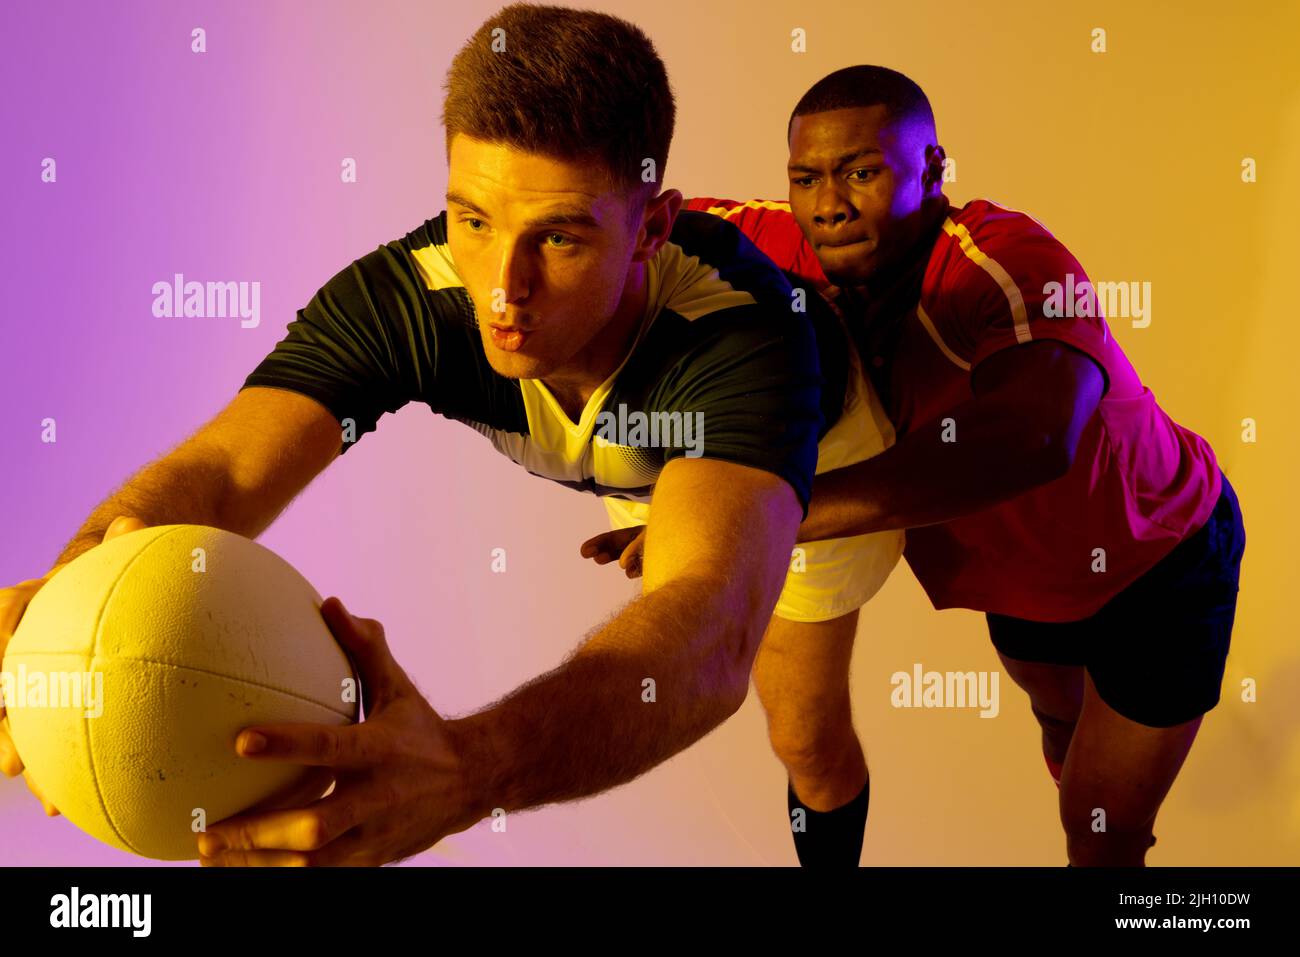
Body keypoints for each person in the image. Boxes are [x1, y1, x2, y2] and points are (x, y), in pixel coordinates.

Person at [0, 7, 899, 867]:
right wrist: (68, 601)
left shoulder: (745, 333)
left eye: (559, 238)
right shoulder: (413, 298)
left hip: (821, 466)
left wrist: (473, 767)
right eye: (474, 219)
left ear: (652, 230)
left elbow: (708, 634)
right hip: (656, 461)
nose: (503, 289)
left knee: (805, 739)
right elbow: (228, 467)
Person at [584, 65, 1246, 867]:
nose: (829, 203)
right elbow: (614, 215)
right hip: (1023, 578)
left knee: (1100, 830)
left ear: (933, 171)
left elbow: (1035, 438)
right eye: (806, 177)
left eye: (862, 172)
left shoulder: (1007, 264)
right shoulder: (773, 239)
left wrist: (764, 514)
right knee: (1061, 727)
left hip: (1159, 561)